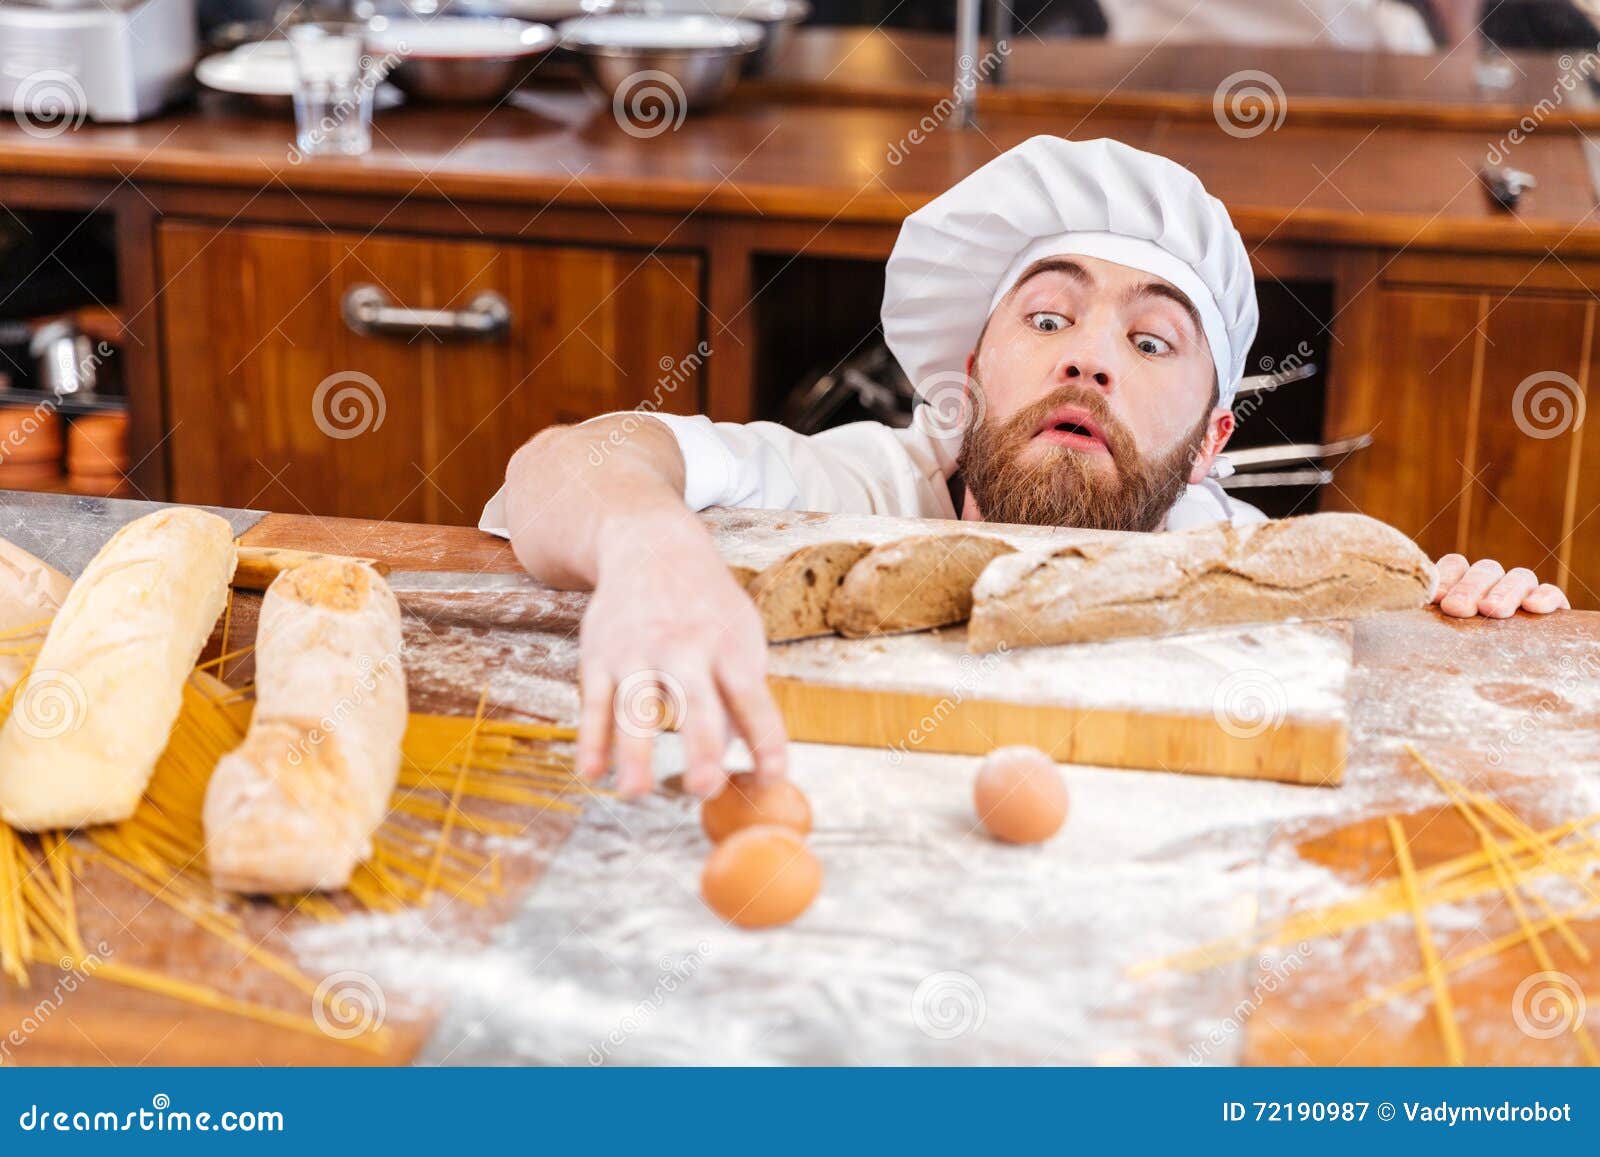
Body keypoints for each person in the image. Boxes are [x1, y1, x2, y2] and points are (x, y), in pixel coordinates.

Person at [480, 136, 1568, 800]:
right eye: (1049, 316)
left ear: (1208, 444)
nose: (1088, 353)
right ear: (969, 375)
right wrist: (645, 541)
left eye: (1149, 343)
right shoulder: (862, 490)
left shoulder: (1252, 573)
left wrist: (1467, 620)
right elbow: (565, 467)